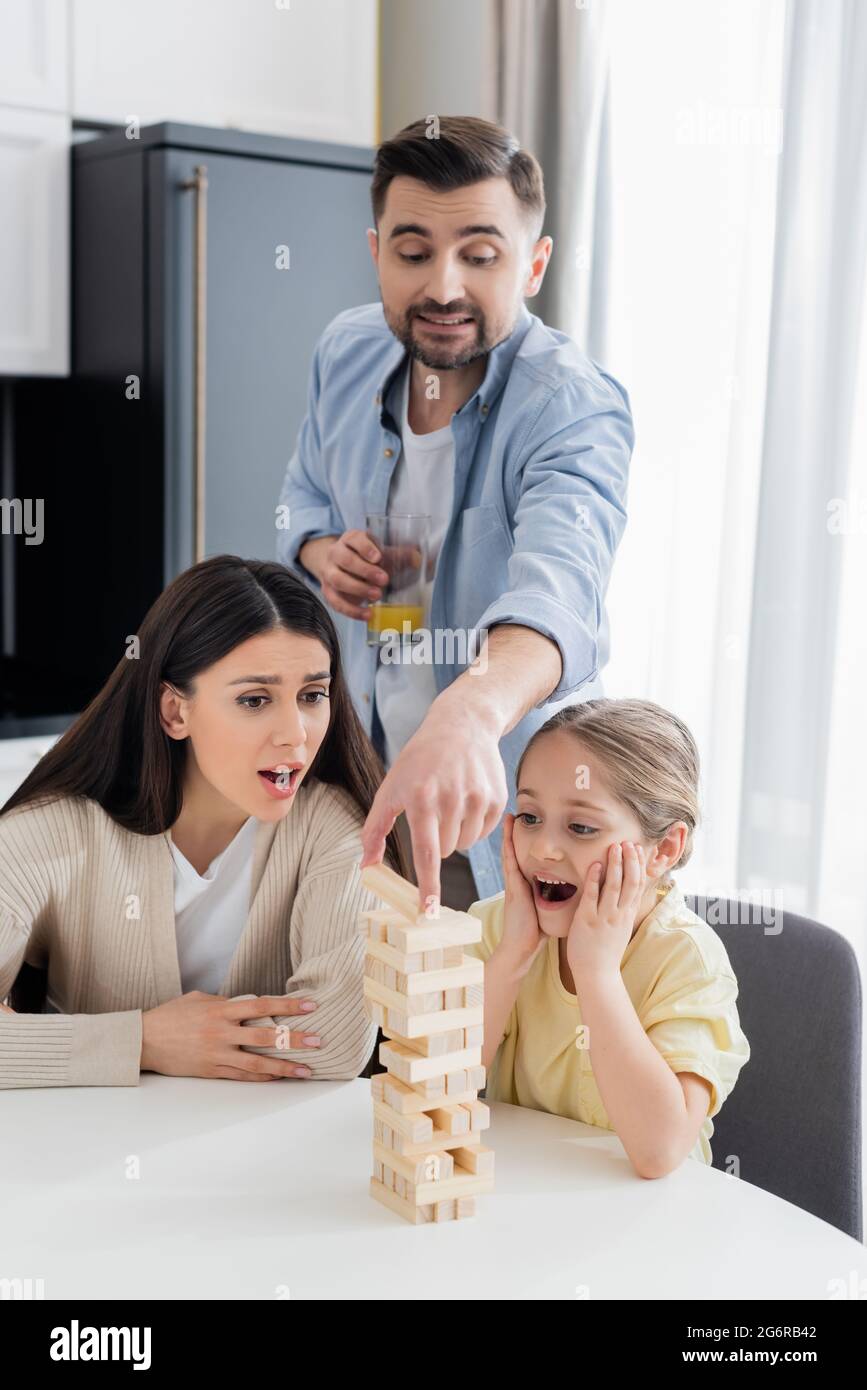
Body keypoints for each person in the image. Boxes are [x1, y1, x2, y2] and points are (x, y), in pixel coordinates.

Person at [277, 115, 634, 915]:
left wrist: (469, 714)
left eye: (479, 255)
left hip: (505, 815)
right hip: (360, 786)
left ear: (533, 264)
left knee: (497, 1034)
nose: (441, 287)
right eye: (412, 253)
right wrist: (316, 547)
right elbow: (300, 489)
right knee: (364, 1026)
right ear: (376, 253)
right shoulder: (346, 352)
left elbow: (560, 595)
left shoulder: (571, 406)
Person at [0, 556, 408, 1088]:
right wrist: (146, 1040)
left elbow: (331, 1043)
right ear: (175, 712)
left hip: (255, 1161)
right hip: (88, 1157)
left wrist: (64, 1045)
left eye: (312, 695)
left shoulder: (336, 827)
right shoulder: (49, 833)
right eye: (255, 699)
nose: (296, 734)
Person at [464, 698, 751, 1177]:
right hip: (522, 1204)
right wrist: (512, 955)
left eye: (580, 827)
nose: (543, 848)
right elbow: (437, 1091)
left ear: (663, 849)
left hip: (647, 1225)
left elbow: (658, 1153)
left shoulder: (687, 961)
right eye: (530, 817)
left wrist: (596, 973)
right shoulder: (500, 928)